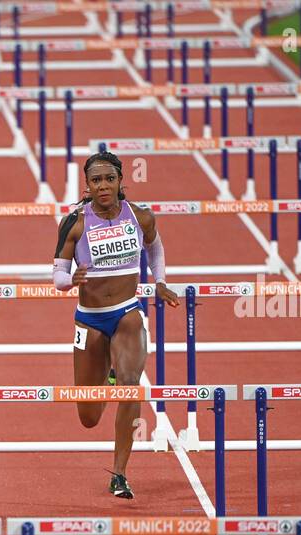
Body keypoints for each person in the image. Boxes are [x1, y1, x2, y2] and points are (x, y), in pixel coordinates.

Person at [53, 151, 177, 499]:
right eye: (96, 180)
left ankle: (119, 473)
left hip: (127, 312)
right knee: (89, 416)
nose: (103, 185)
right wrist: (70, 280)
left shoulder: (141, 217)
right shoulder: (75, 221)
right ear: (87, 186)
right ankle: (105, 365)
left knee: (130, 386)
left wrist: (161, 280)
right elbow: (57, 274)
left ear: (121, 181)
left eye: (109, 178)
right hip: (90, 319)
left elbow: (155, 248)